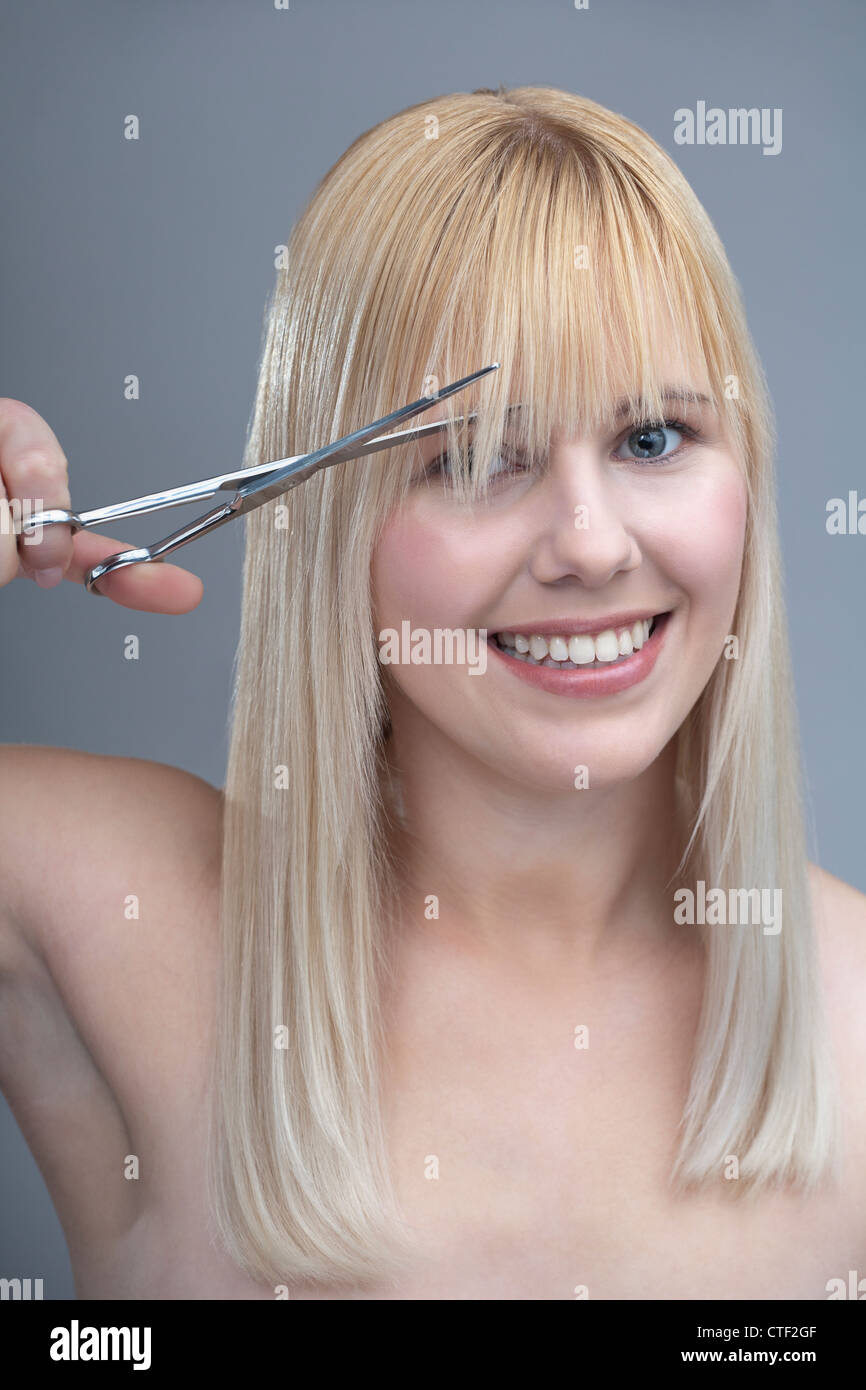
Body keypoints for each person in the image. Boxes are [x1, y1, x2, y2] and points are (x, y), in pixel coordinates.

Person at [1, 85, 865, 1301]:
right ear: (325, 523)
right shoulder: (107, 913)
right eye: (470, 456)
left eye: (652, 438)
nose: (589, 545)